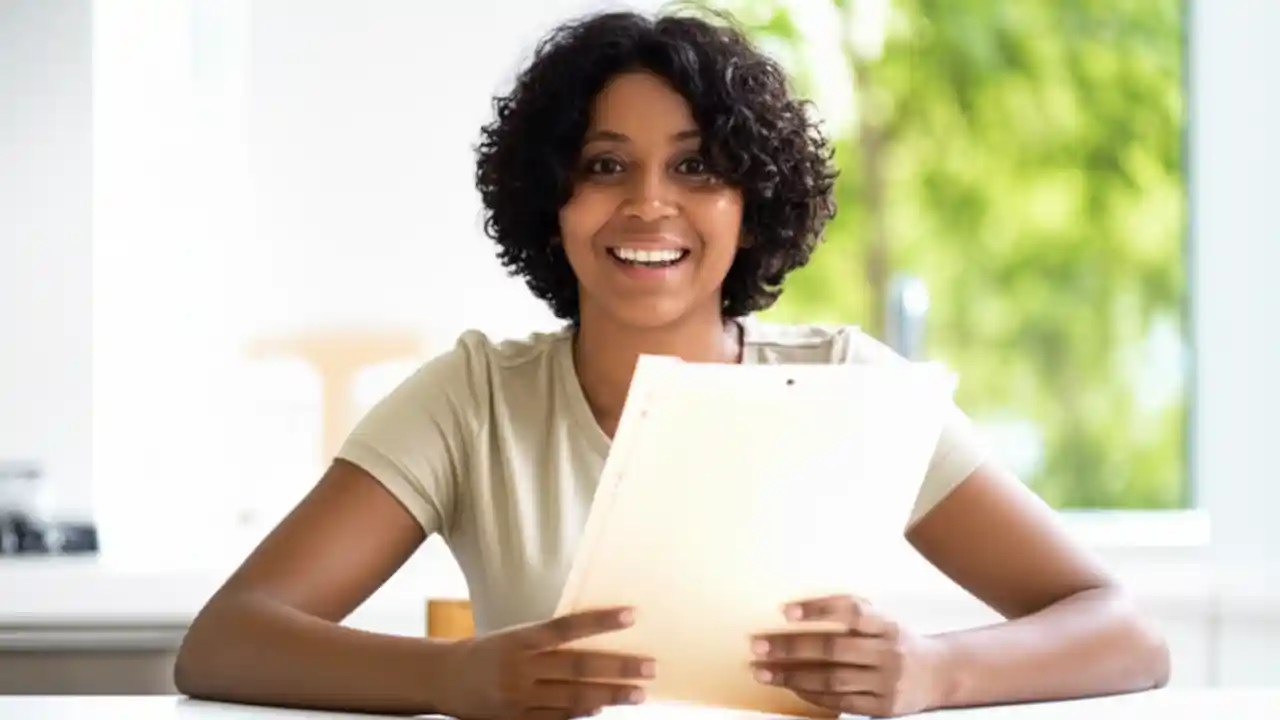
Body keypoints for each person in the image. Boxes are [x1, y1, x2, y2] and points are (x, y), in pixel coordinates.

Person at [174, 10, 1170, 719]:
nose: (649, 203)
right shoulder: (471, 400)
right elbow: (228, 640)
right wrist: (452, 678)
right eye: (604, 167)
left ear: (751, 202)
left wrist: (926, 673)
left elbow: (1121, 632)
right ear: (551, 202)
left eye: (695, 167)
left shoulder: (849, 385)